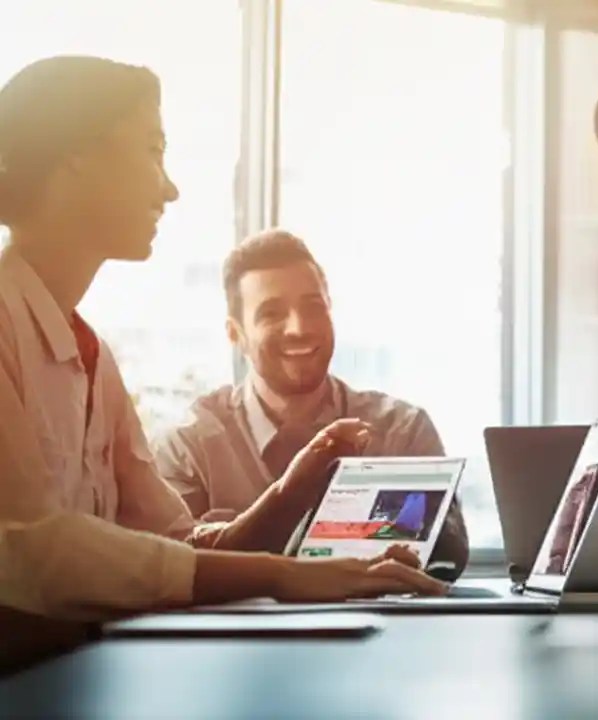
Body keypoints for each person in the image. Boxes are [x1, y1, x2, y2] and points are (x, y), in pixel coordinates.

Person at [0, 55, 443, 621]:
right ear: (78, 158)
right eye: (153, 152)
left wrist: (290, 491)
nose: (171, 188)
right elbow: (32, 550)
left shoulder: (93, 358)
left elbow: (177, 549)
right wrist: (285, 574)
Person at [152, 230, 468, 570]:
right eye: (271, 313)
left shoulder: (401, 431)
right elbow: (175, 566)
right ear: (235, 334)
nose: (299, 328)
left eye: (313, 307)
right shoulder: (188, 447)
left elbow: (447, 560)